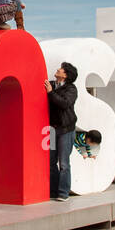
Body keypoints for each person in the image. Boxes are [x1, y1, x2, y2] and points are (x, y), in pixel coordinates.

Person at [46, 62, 79, 200]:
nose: (58, 69)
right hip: (52, 130)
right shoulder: (52, 84)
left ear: (65, 75)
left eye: (61, 69)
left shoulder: (71, 89)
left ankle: (63, 192)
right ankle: (53, 191)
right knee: (50, 162)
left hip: (66, 130)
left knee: (64, 163)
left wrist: (50, 93)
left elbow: (64, 104)